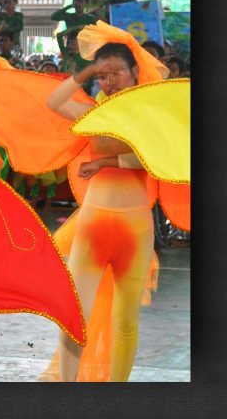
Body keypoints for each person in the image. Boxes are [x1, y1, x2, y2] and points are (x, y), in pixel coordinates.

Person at [44, 22, 169, 382]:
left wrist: (104, 162)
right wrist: (85, 72)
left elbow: (151, 158)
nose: (110, 80)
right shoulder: (93, 113)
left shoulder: (149, 113)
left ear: (135, 74)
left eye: (117, 72)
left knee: (126, 317)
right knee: (74, 312)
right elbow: (54, 102)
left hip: (134, 228)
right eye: (104, 74)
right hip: (94, 224)